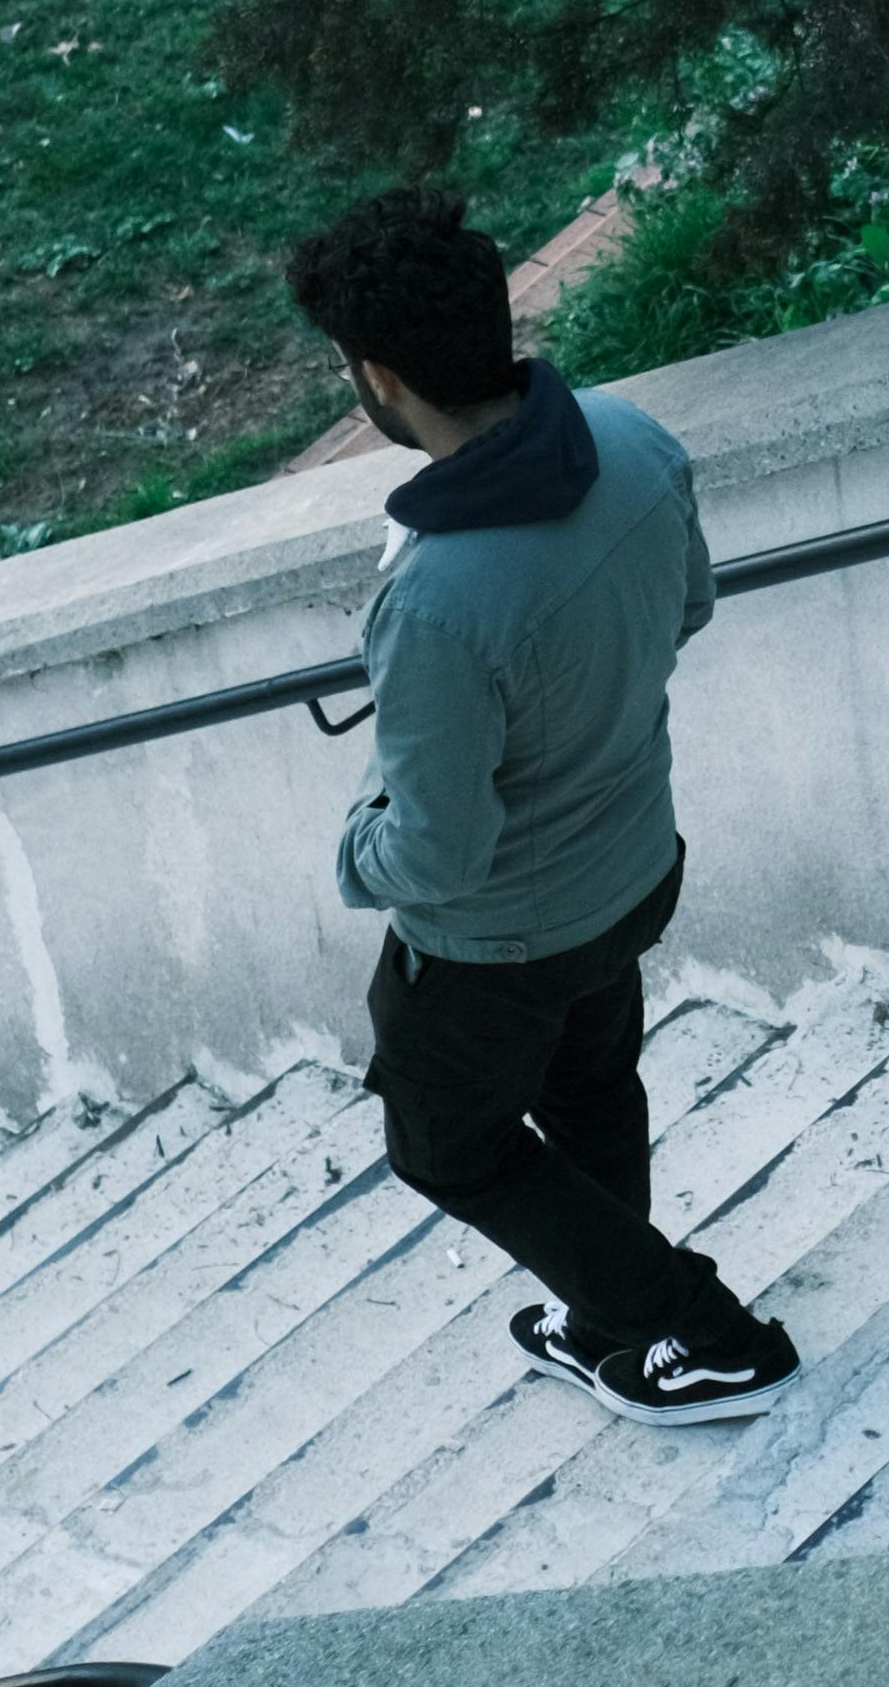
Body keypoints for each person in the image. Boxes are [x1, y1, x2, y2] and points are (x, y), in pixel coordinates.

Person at [283, 185, 799, 1427]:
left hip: (496, 944)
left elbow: (438, 848)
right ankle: (610, 1316)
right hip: (629, 868)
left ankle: (708, 1334)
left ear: (380, 377)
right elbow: (686, 609)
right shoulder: (630, 439)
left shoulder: (438, 600)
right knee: (585, 1090)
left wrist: (356, 853)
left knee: (447, 1145)